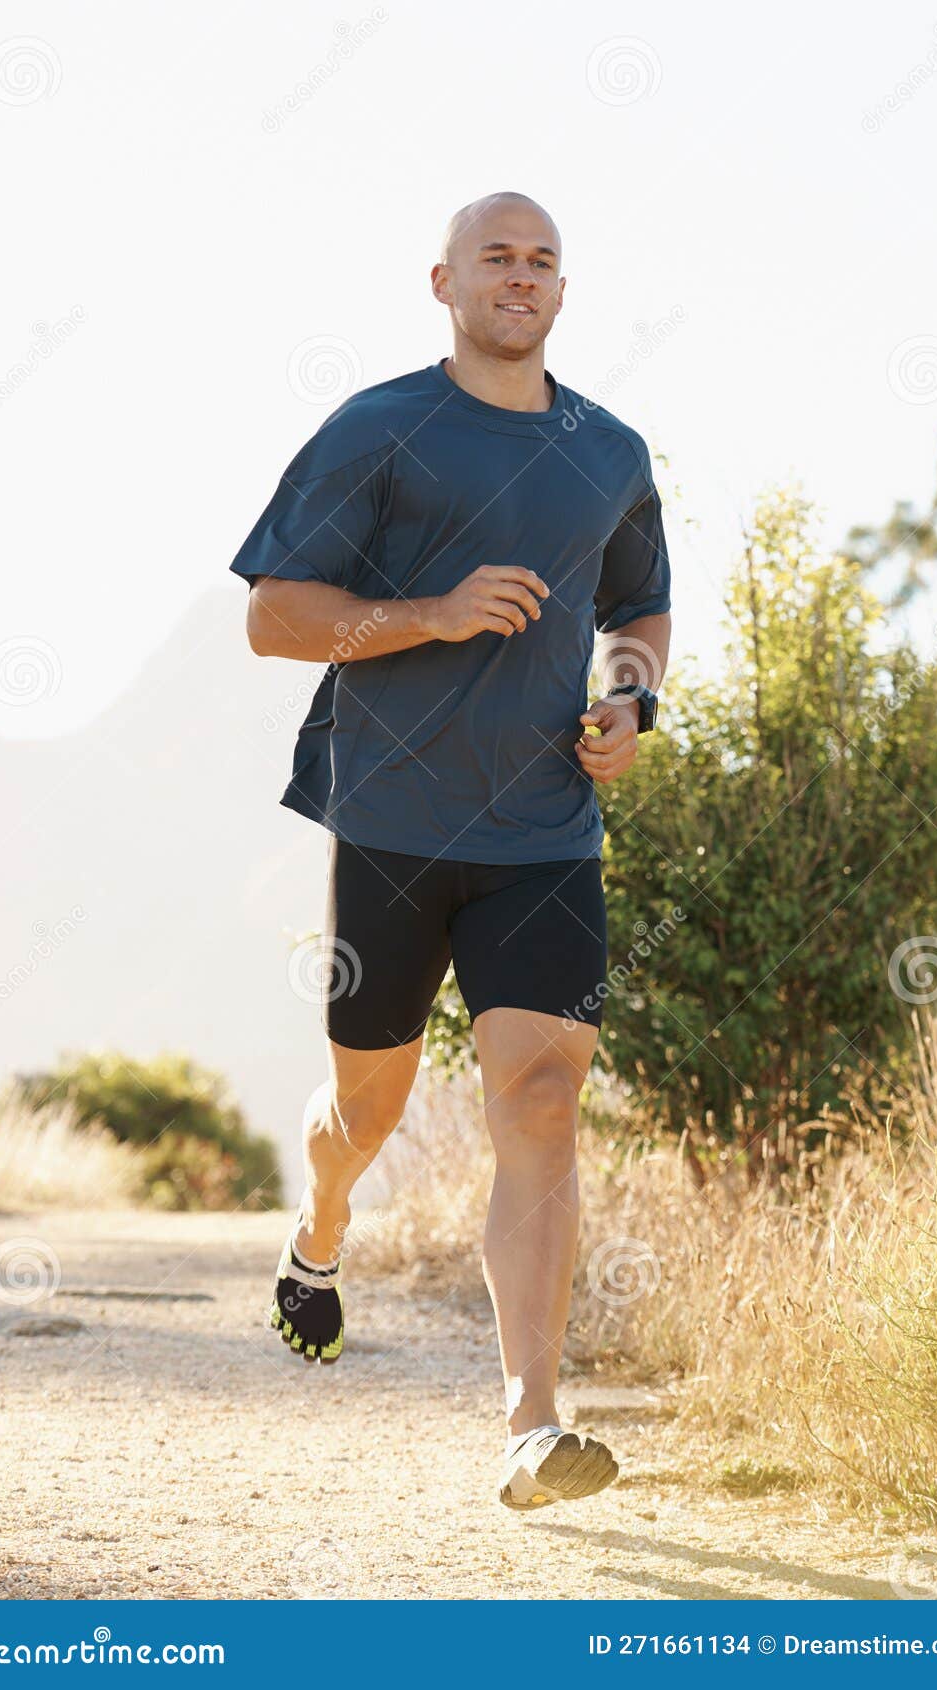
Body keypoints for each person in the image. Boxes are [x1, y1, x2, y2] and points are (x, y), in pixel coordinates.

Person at [229, 191, 671, 1510]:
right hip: (395, 827)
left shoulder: (612, 450)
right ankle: (319, 1230)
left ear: (561, 289)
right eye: (498, 257)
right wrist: (433, 611)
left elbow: (638, 608)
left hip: (545, 830)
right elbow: (274, 617)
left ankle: (533, 1422)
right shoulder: (380, 429)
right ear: (445, 282)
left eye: (543, 262)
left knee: (540, 1097)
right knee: (364, 1108)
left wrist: (632, 701)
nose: (521, 278)